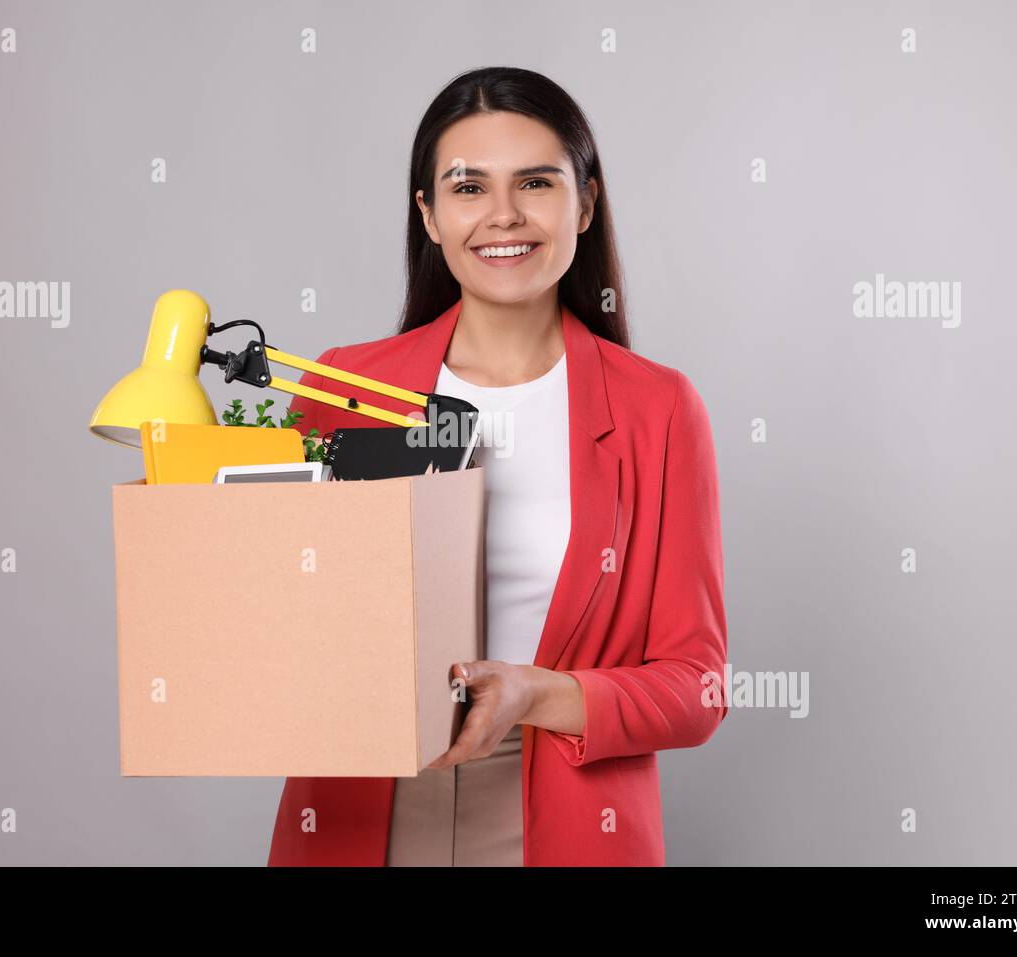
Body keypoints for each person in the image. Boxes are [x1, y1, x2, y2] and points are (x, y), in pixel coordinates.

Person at [267, 66, 728, 867]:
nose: (504, 215)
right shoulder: (345, 388)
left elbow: (697, 685)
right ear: (430, 216)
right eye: (469, 187)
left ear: (584, 203)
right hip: (359, 807)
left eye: (537, 183)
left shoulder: (659, 409)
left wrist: (538, 692)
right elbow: (284, 620)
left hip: (562, 809)